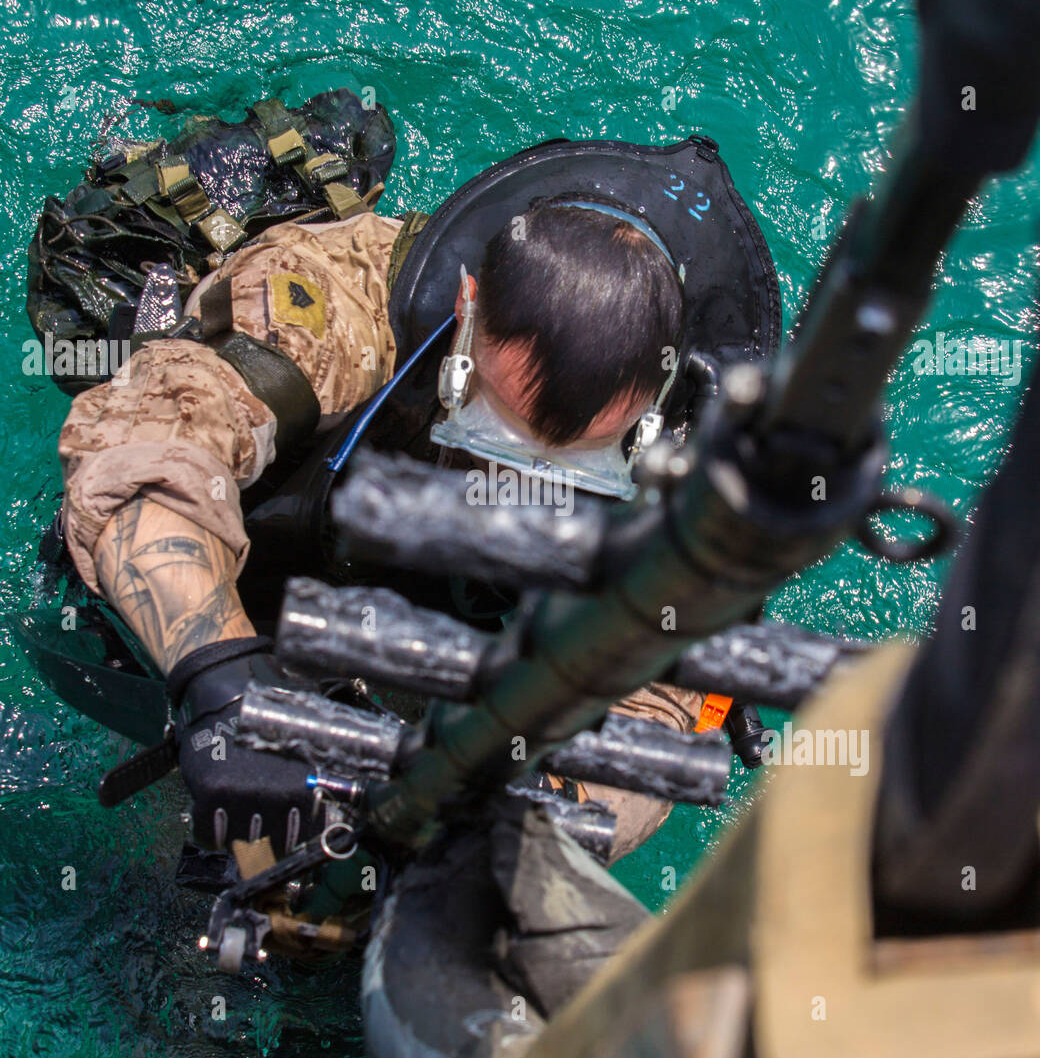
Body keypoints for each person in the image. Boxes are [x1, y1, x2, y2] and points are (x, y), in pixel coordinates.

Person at [57, 193, 711, 863]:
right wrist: (220, 678)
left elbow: (657, 716)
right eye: (496, 430)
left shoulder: (696, 475)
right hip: (254, 584)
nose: (517, 484)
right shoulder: (330, 307)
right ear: (468, 307)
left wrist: (558, 813)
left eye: (577, 464)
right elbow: (139, 452)